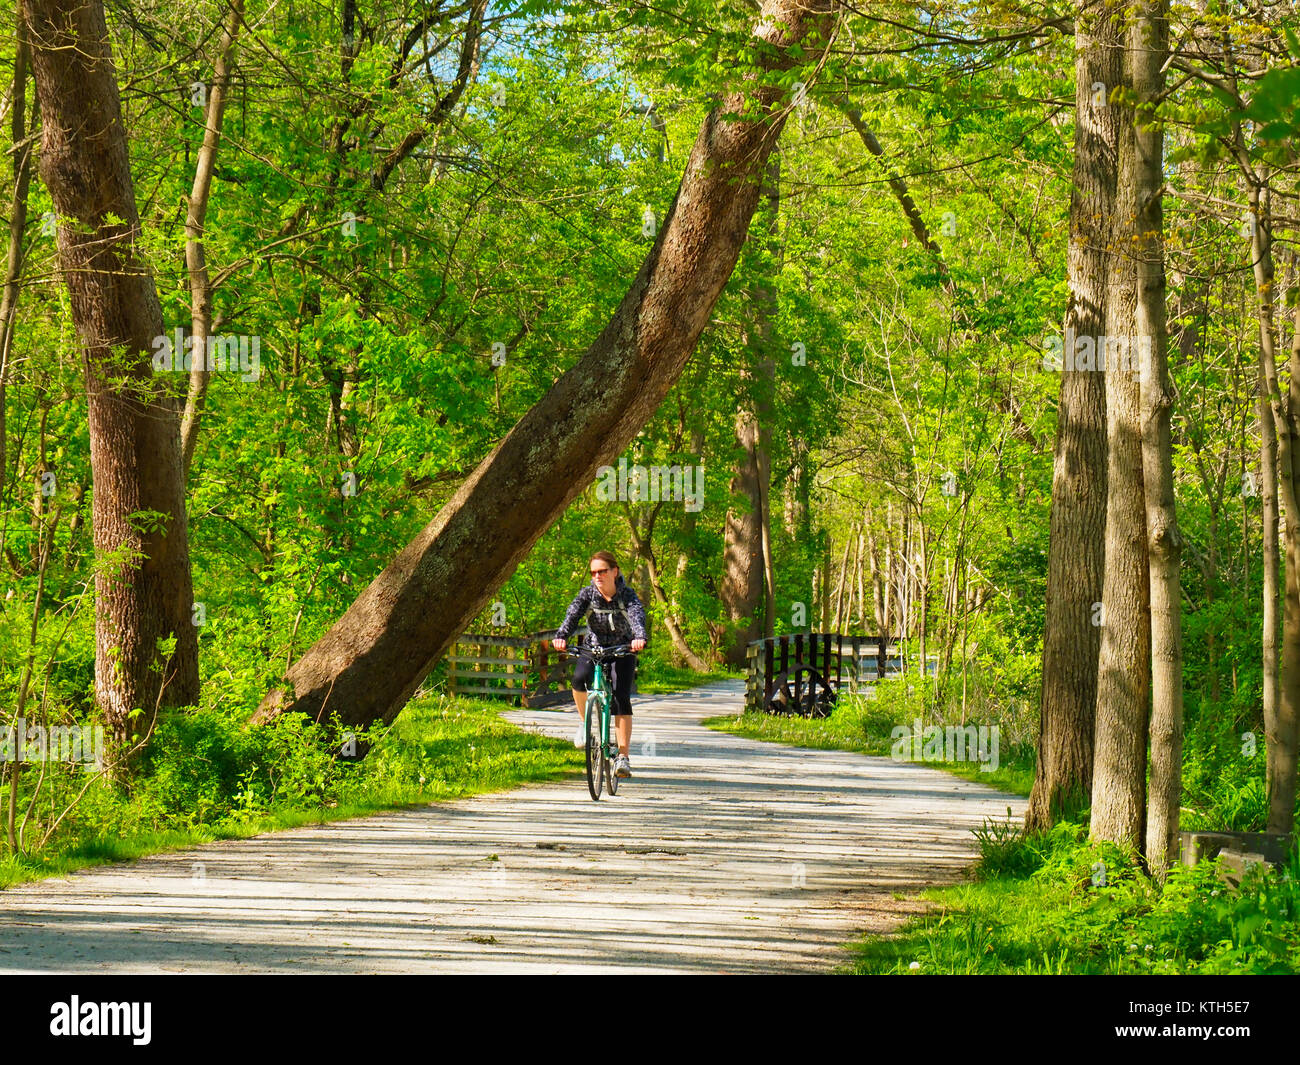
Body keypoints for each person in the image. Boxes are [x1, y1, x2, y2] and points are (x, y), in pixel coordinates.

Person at [552, 551, 647, 778]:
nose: (597, 576)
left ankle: (622, 757)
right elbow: (572, 615)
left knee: (620, 696)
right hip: (594, 648)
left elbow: (637, 617)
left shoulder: (627, 595)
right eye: (593, 572)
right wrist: (561, 636)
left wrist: (639, 637)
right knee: (577, 679)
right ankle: (586, 725)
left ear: (614, 572)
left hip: (622, 650)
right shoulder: (588, 595)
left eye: (602, 571)